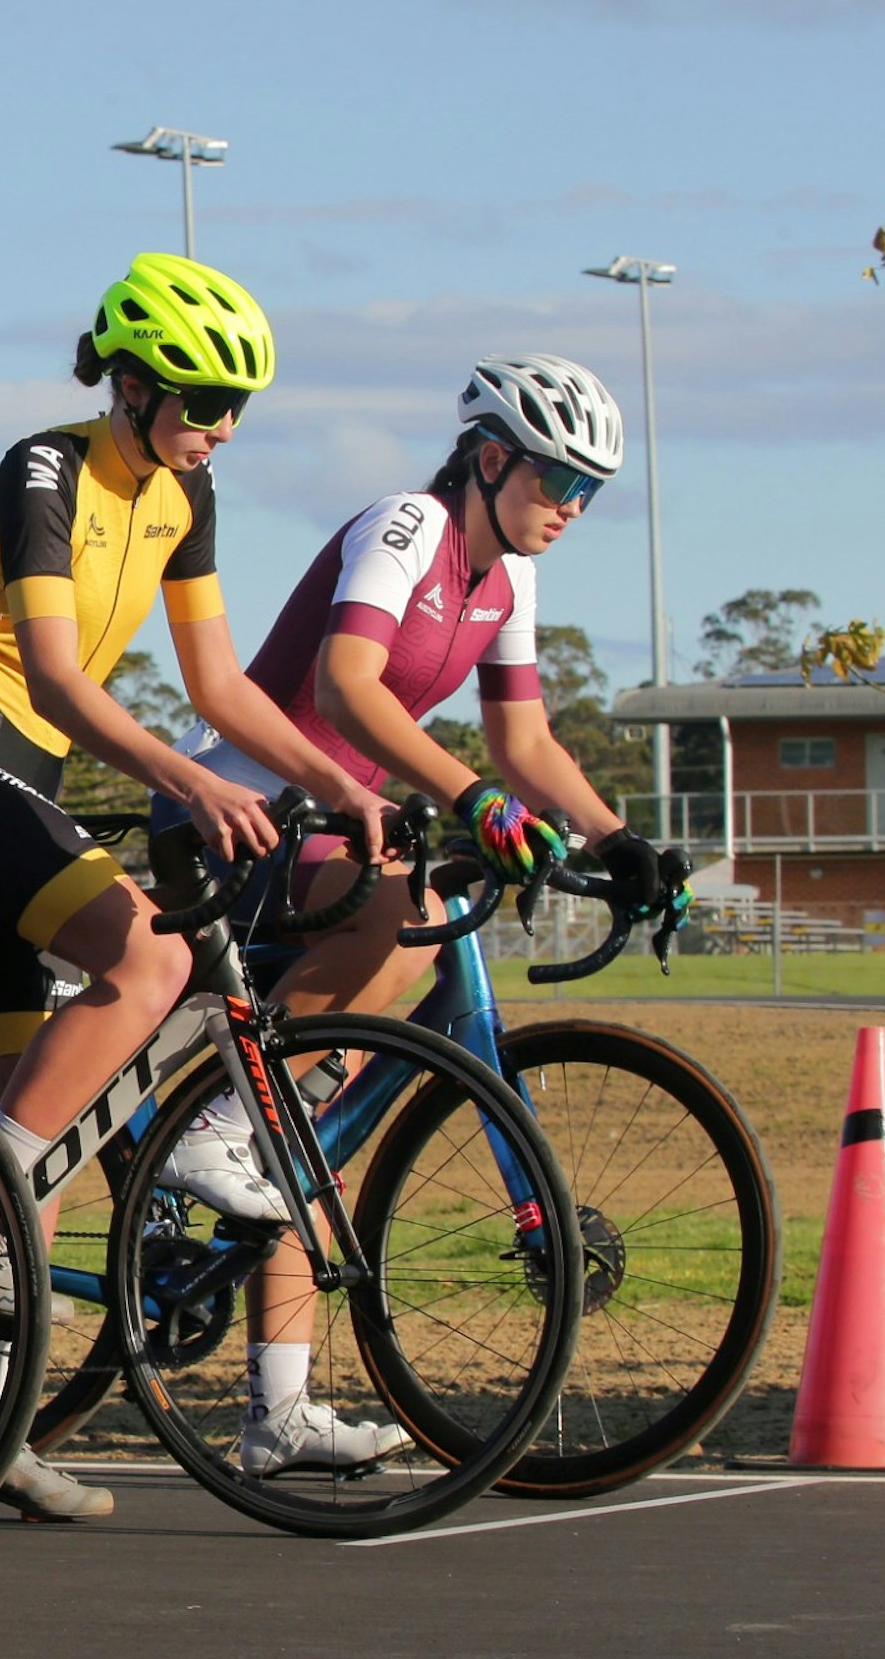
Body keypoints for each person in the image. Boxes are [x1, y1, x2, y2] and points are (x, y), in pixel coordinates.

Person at [0, 252, 387, 1521]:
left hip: (24, 784)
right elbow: (48, 679)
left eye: (236, 408)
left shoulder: (180, 496)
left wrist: (336, 782)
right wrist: (194, 785)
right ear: (136, 378)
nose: (218, 427)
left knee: (39, 1131)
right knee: (149, 957)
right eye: (201, 399)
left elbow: (218, 687)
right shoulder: (42, 467)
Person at [148, 353, 677, 1469]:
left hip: (337, 827)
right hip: (248, 804)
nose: (571, 510)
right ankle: (221, 1126)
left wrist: (614, 839)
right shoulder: (405, 527)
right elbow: (347, 684)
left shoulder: (509, 581)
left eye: (590, 493)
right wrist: (468, 799)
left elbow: (523, 744)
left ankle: (276, 1413)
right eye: (555, 483)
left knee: (322, 1118)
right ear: (491, 460)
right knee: (405, 909)